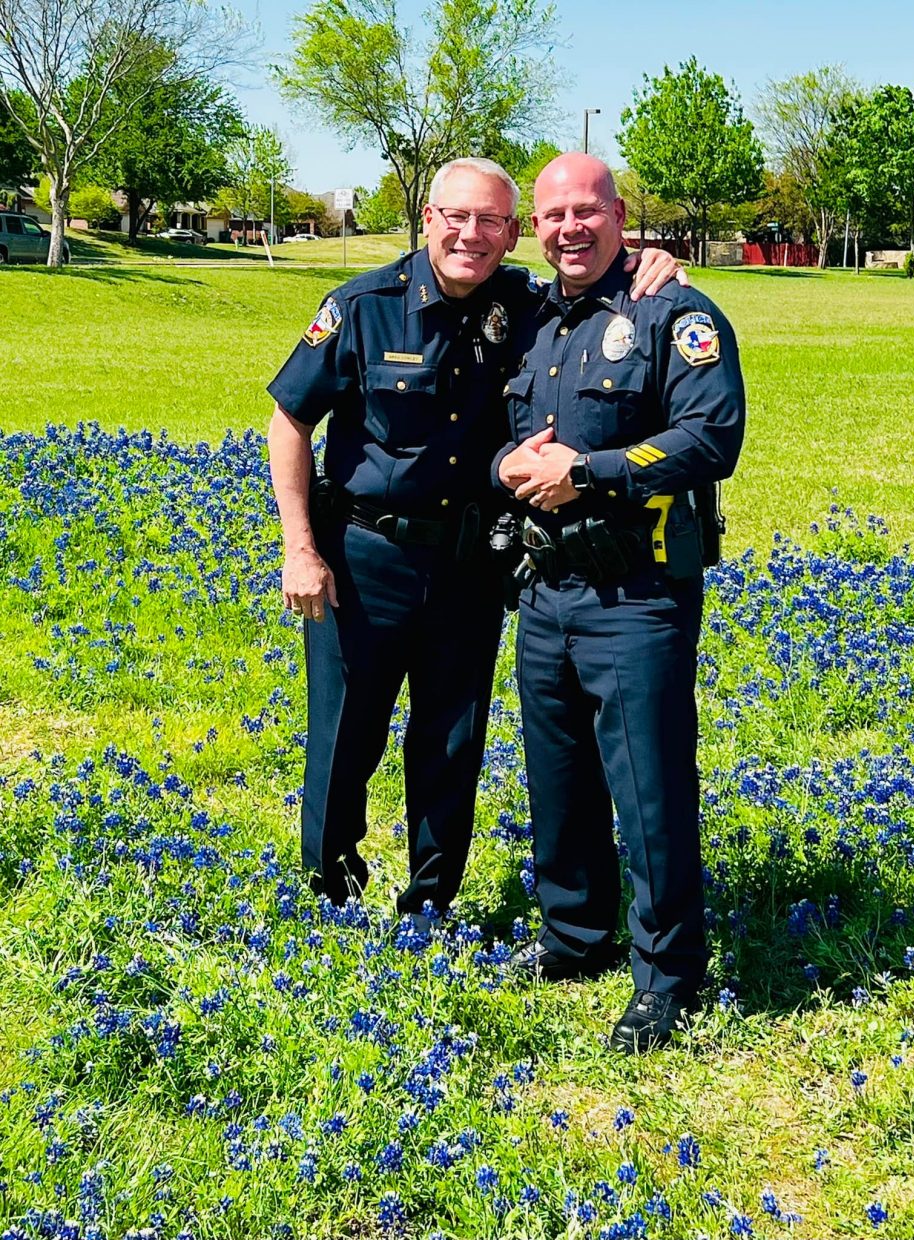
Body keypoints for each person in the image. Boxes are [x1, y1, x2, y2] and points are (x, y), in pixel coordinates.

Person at [266, 157, 683, 926]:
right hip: (367, 556)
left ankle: (430, 903)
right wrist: (301, 548)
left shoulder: (526, 305)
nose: (471, 234)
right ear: (427, 219)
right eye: (456, 217)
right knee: (345, 734)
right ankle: (331, 893)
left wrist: (649, 261)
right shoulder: (363, 306)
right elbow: (290, 420)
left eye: (491, 221)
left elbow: (604, 286)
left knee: (451, 741)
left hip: (471, 561)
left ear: (512, 233)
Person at [495, 153, 746, 1052]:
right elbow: (495, 436)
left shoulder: (673, 313)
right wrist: (506, 467)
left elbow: (711, 437)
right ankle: (574, 936)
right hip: (545, 586)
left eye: (585, 212)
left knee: (648, 788)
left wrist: (590, 472)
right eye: (553, 214)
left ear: (619, 215)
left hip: (637, 592)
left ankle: (668, 976)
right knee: (557, 778)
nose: (569, 228)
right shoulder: (528, 319)